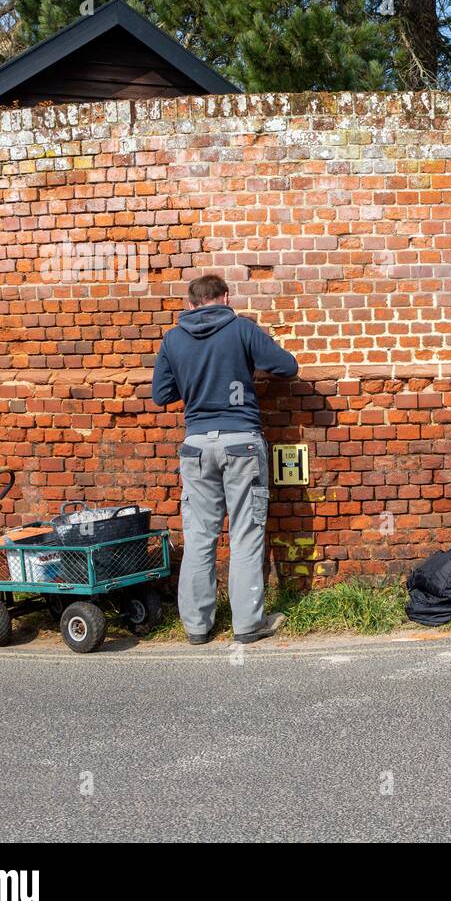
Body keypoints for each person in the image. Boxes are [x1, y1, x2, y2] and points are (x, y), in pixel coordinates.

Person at [151, 275, 298, 644]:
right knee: (245, 535)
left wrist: (194, 381)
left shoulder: (173, 338)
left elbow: (161, 395)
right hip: (241, 441)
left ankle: (197, 628)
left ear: (190, 304)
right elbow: (287, 366)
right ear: (226, 297)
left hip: (197, 444)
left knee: (200, 537)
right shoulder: (241, 328)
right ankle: (248, 625)